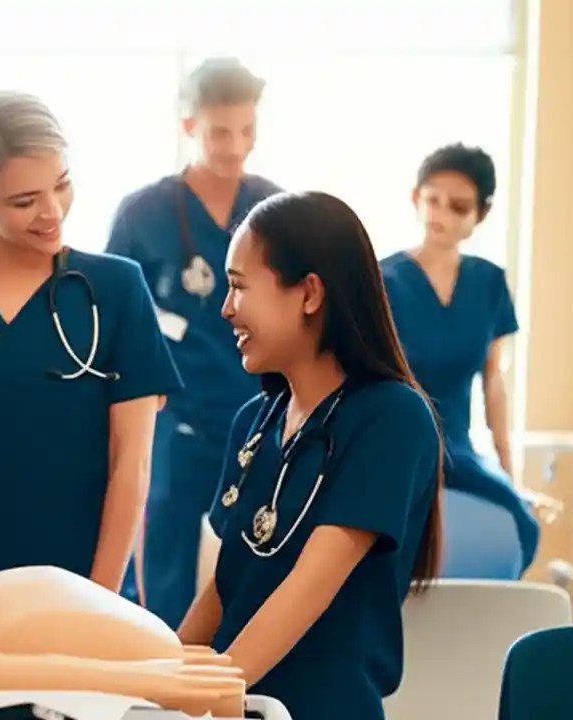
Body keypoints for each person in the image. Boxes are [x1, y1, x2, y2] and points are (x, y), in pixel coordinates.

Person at [0, 91, 182, 591]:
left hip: (91, 585)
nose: (52, 212)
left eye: (61, 185)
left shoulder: (116, 289)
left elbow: (131, 458)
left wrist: (100, 597)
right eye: (25, 201)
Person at [178, 191, 443, 719]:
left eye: (239, 287)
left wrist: (201, 699)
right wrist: (153, 681)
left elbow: (310, 586)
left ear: (309, 293)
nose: (226, 309)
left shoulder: (390, 418)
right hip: (239, 703)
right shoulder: (255, 423)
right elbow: (223, 591)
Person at [105, 57, 284, 625]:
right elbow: (114, 322)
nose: (236, 147)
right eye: (220, 132)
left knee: (263, 565)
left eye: (247, 131)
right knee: (164, 576)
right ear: (190, 128)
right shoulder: (144, 214)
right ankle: (161, 694)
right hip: (174, 424)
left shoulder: (276, 211)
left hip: (259, 418)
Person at [380, 143, 549, 577]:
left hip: (457, 447)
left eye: (458, 207)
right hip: (396, 441)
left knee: (523, 524)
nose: (441, 214)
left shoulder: (489, 283)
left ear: (479, 216)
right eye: (432, 199)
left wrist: (509, 470)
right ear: (415, 197)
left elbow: (494, 382)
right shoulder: (383, 280)